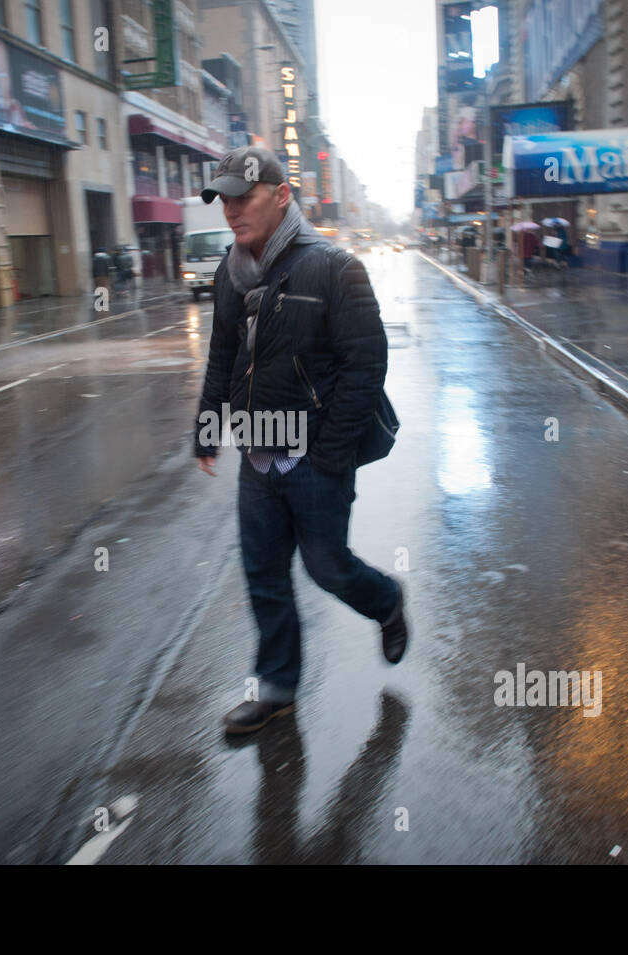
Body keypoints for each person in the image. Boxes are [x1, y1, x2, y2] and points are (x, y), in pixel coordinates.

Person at [193, 145, 409, 736]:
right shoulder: (228, 274)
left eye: (244, 197)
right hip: (258, 451)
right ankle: (276, 689)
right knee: (263, 573)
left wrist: (331, 451)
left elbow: (366, 365)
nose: (232, 210)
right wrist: (208, 427)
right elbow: (223, 357)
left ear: (281, 195)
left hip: (316, 454)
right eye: (225, 200)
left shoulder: (334, 267)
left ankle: (386, 601)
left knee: (326, 566)